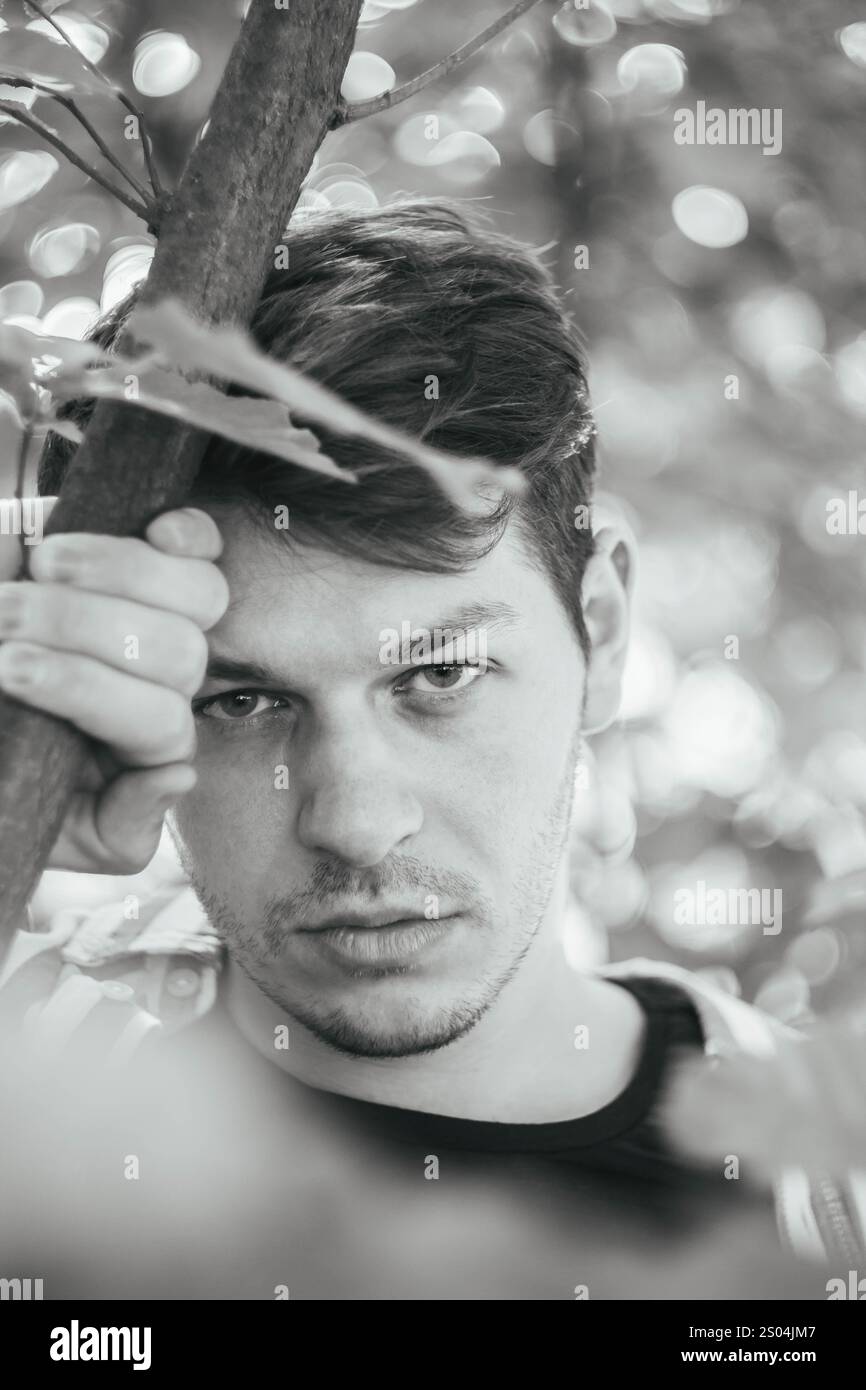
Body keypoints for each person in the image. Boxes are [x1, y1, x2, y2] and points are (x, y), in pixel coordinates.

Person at [0, 200, 860, 1270]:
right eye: (239, 700)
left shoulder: (833, 1192)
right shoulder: (28, 1091)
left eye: (437, 672)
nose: (355, 822)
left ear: (599, 628)